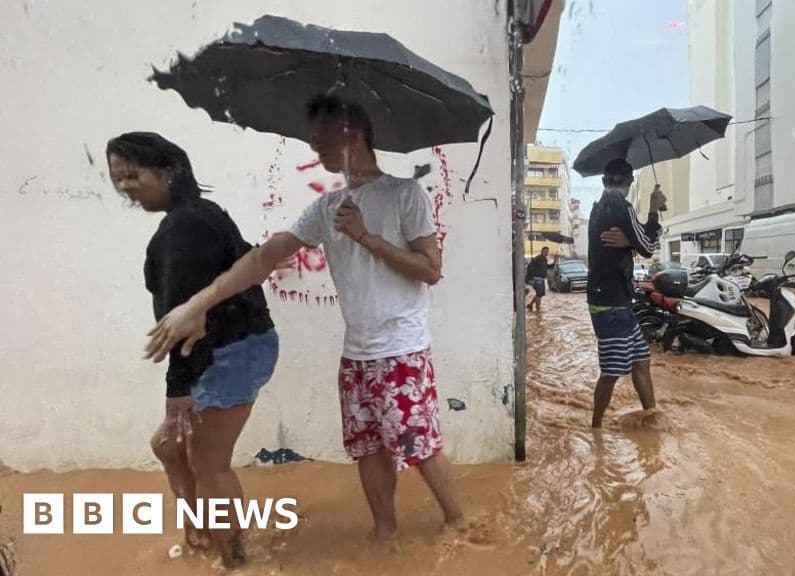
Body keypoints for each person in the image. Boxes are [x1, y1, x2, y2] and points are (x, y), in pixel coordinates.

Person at [144, 95, 463, 540]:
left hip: (403, 348)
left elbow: (431, 269)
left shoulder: (404, 194)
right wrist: (196, 304)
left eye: (320, 135)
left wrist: (366, 237)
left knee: (420, 445)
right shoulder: (326, 208)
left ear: (351, 132)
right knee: (368, 448)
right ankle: (385, 533)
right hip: (357, 354)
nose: (313, 145)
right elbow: (264, 258)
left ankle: (459, 522)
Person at [107, 132, 278, 567]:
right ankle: (203, 530)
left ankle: (234, 559)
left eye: (132, 174)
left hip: (228, 352)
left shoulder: (185, 226)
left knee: (209, 464)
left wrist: (177, 393)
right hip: (244, 345)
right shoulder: (202, 214)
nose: (125, 186)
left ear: (170, 171)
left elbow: (184, 327)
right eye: (117, 178)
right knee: (169, 448)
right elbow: (245, 263)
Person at [586, 158, 666, 428]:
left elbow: (634, 243)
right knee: (611, 372)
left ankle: (652, 418)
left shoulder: (598, 209)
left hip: (613, 302)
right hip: (612, 305)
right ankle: (595, 428)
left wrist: (630, 241)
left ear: (603, 181)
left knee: (641, 361)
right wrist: (654, 210)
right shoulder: (622, 207)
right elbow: (648, 246)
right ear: (630, 182)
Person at [526, 247, 551, 312]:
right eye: (545, 251)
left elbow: (547, 267)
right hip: (537, 279)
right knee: (539, 294)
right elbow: (529, 267)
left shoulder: (544, 259)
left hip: (541, 279)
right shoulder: (538, 258)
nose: (546, 253)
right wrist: (530, 278)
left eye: (547, 251)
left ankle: (530, 305)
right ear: (542, 251)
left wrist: (553, 264)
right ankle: (538, 310)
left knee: (539, 294)